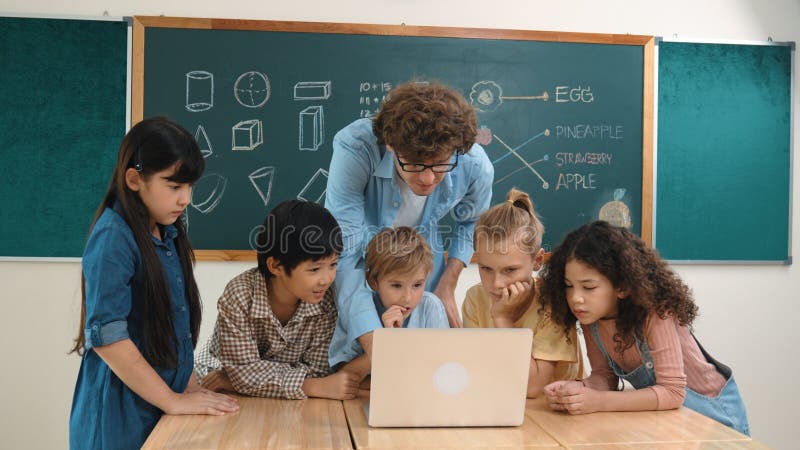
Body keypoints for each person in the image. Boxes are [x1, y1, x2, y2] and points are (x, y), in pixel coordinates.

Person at [68, 117, 239, 450]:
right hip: (120, 417)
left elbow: (174, 326)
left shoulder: (166, 231)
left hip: (160, 402)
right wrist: (173, 401)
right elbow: (108, 339)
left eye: (190, 186)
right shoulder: (113, 238)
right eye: (174, 186)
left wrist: (189, 387)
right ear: (135, 179)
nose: (186, 198)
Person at [326, 81, 494, 371]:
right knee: (362, 360)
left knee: (425, 363)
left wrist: (446, 285)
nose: (428, 179)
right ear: (391, 147)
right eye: (415, 164)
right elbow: (347, 256)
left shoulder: (475, 164)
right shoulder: (356, 148)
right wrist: (378, 351)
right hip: (360, 272)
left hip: (421, 264)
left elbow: (471, 223)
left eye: (440, 164)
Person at [539, 221, 749, 435]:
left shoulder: (656, 313)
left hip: (716, 418)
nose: (576, 298)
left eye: (589, 287)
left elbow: (673, 392)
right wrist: (577, 390)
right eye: (568, 285)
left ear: (622, 286)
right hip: (675, 422)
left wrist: (599, 401)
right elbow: (605, 377)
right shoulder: (592, 319)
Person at [195, 200, 361, 400]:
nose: (326, 279)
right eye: (314, 269)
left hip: (266, 393)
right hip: (213, 383)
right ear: (276, 266)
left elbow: (317, 371)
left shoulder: (326, 301)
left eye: (333, 264)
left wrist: (241, 381)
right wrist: (312, 386)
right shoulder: (240, 295)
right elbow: (243, 372)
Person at [462, 188, 584, 398]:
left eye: (510, 270)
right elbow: (478, 372)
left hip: (553, 413)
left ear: (537, 261)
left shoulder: (553, 303)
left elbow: (533, 388)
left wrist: (503, 319)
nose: (497, 284)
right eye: (486, 269)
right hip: (503, 404)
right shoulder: (475, 298)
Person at [333, 227, 449, 372]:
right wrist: (387, 342)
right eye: (396, 285)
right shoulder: (358, 310)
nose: (407, 298)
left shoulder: (430, 307)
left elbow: (443, 367)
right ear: (373, 281)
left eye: (417, 285)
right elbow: (344, 373)